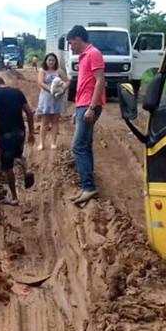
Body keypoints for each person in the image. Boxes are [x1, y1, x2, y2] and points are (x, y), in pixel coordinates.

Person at [67, 25, 104, 205]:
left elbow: (100, 81)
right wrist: (78, 110)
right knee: (85, 146)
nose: (70, 47)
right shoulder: (84, 56)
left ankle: (88, 187)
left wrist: (91, 107)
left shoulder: (93, 54)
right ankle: (85, 187)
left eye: (71, 42)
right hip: (83, 105)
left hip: (89, 105)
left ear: (78, 39)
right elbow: (83, 85)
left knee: (78, 147)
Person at [0, 76, 36, 205]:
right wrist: (31, 132)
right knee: (18, 154)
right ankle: (27, 169)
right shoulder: (17, 92)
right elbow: (29, 113)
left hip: (5, 133)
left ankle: (14, 197)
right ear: (3, 82)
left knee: (7, 167)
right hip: (20, 131)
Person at [34, 52, 67, 150]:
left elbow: (68, 81)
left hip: (57, 98)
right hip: (46, 98)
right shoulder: (42, 71)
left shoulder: (59, 71)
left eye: (53, 60)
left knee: (55, 121)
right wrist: (50, 90)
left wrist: (63, 89)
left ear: (55, 61)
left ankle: (53, 142)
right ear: (46, 61)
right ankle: (41, 143)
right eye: (49, 60)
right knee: (45, 122)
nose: (51, 62)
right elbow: (40, 82)